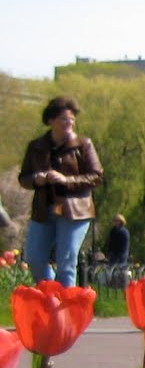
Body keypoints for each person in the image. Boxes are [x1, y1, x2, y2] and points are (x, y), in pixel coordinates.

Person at [18, 96, 102, 287]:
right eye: (64, 119)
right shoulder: (36, 146)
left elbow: (97, 176)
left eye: (72, 119)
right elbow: (24, 178)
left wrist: (67, 180)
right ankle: (51, 293)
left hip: (75, 211)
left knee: (66, 262)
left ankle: (66, 309)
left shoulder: (83, 144)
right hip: (43, 209)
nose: (69, 123)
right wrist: (36, 179)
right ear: (51, 120)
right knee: (34, 257)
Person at [104, 213, 131, 285]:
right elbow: (110, 242)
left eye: (117, 221)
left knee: (120, 269)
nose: (115, 222)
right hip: (113, 253)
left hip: (121, 253)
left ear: (121, 221)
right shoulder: (113, 231)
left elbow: (125, 244)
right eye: (115, 221)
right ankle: (110, 282)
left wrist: (122, 254)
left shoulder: (124, 232)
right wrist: (109, 251)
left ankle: (120, 283)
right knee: (111, 268)